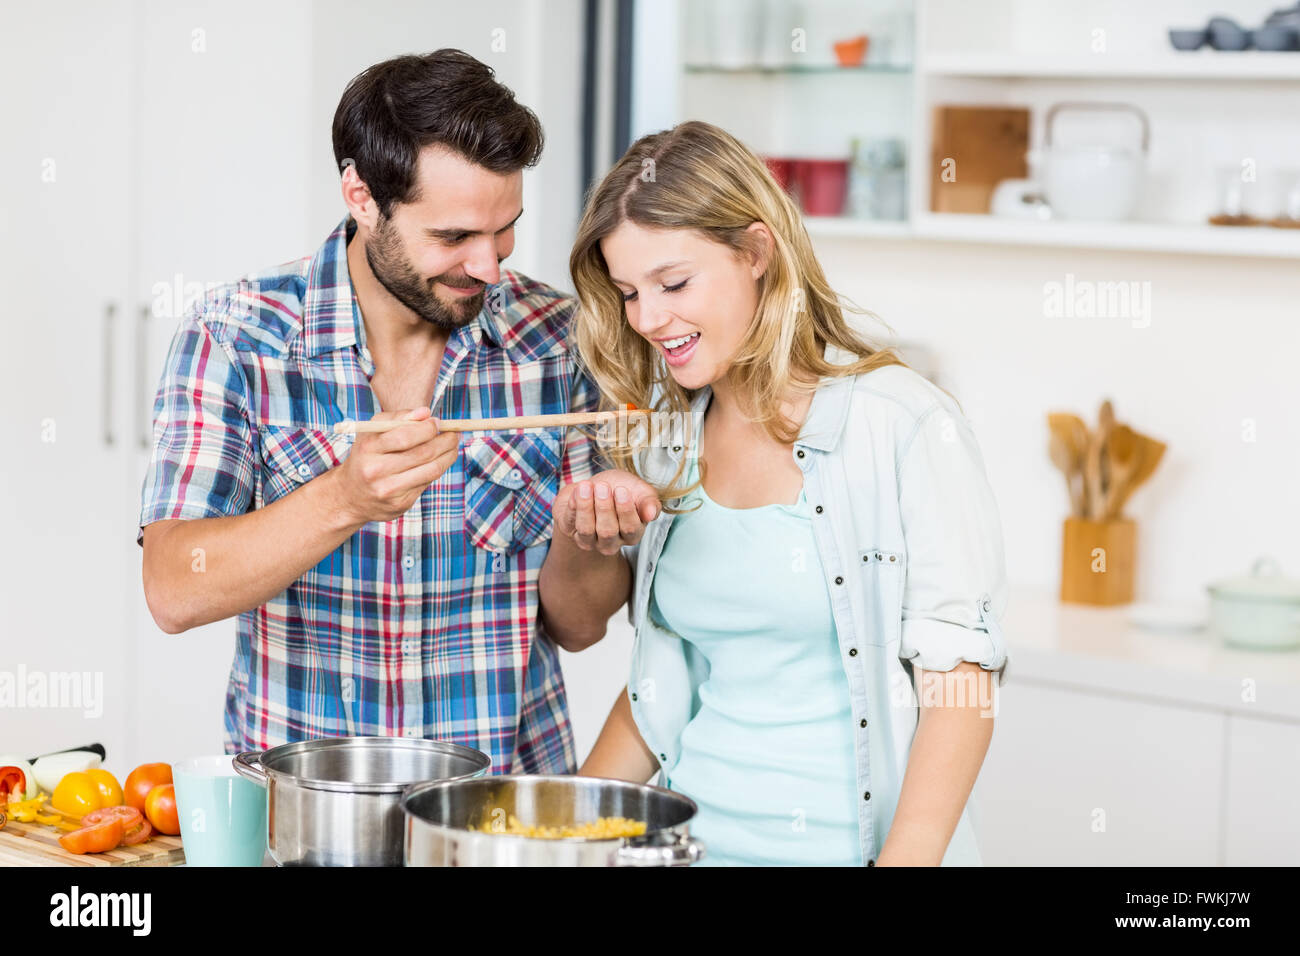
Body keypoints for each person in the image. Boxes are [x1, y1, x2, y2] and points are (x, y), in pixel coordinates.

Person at [538, 120, 1010, 866]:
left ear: (757, 253)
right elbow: (661, 695)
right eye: (629, 293)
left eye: (674, 282)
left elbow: (961, 690)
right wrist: (554, 842)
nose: (648, 319)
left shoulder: (903, 423)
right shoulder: (667, 443)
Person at [138, 49, 604, 774]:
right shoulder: (236, 333)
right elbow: (174, 588)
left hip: (507, 814)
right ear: (361, 196)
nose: (489, 266)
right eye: (453, 237)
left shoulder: (556, 341)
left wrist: (588, 529)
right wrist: (345, 499)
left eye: (504, 228)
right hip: (302, 811)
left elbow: (580, 626)